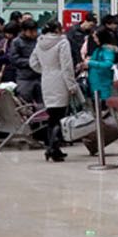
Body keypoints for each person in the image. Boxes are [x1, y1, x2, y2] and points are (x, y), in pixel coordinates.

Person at [31, 20, 76, 164]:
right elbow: (67, 66)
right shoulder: (62, 42)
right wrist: (72, 85)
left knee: (52, 115)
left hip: (46, 80)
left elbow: (33, 62)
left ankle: (52, 147)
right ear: (58, 29)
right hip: (60, 81)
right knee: (59, 116)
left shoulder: (40, 42)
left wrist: (45, 70)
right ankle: (53, 148)